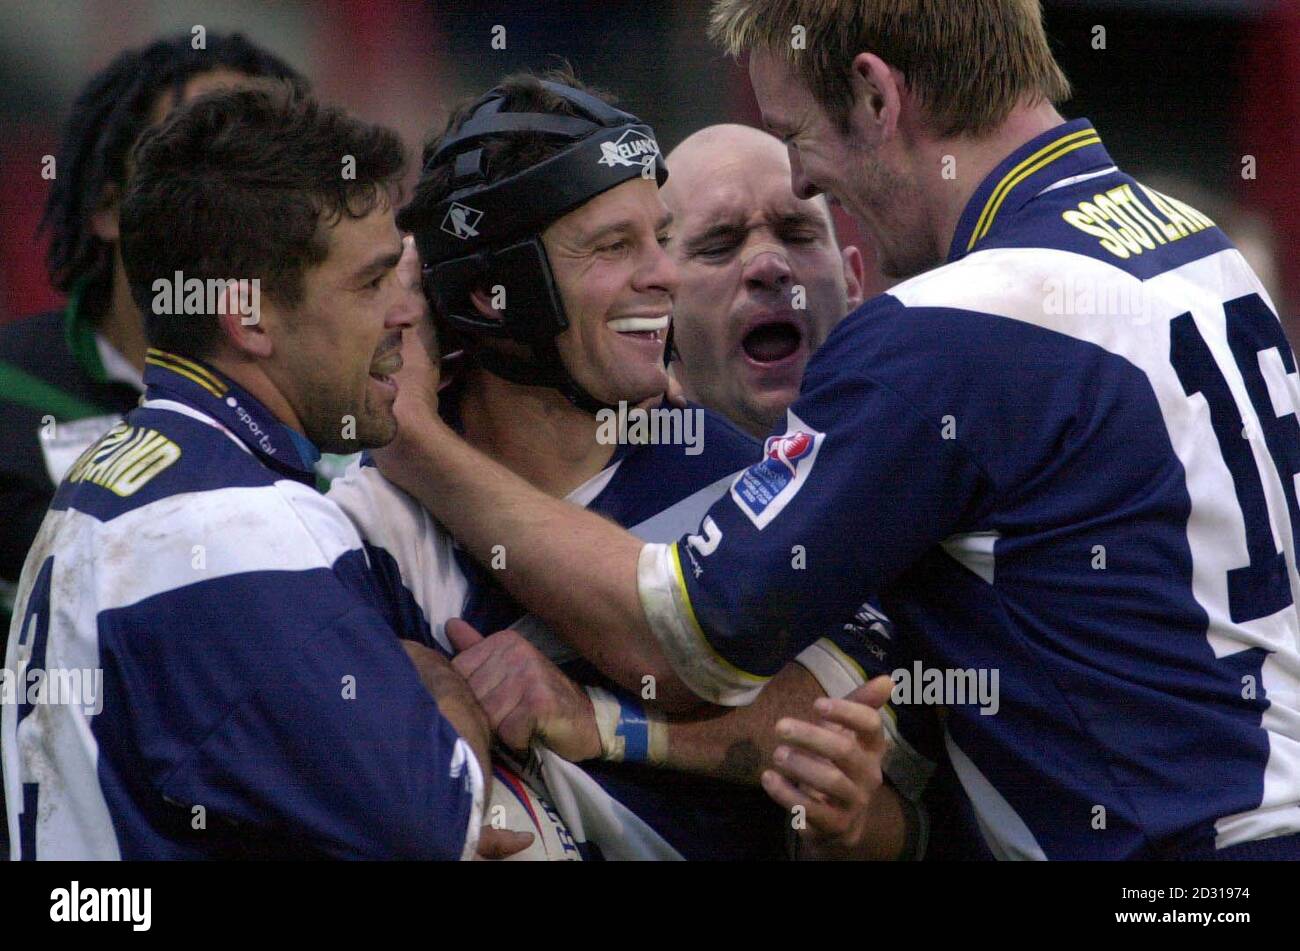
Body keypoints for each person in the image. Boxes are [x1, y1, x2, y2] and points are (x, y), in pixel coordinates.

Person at [373, 0, 1300, 859]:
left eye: (795, 137)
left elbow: (684, 637)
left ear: (874, 93)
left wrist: (415, 440)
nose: (807, 173)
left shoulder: (952, 325)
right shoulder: (1199, 241)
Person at [328, 69, 925, 860]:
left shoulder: (748, 483)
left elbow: (884, 771)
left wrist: (607, 722)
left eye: (660, 236)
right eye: (616, 246)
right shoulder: (354, 528)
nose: (667, 275)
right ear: (490, 294)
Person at [2, 86, 495, 860]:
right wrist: (442, 684)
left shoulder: (123, 473)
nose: (407, 310)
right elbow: (437, 819)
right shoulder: (229, 523)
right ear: (249, 317)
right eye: (370, 283)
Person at [0, 34, 308, 632]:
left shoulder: (351, 418)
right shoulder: (9, 392)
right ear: (110, 209)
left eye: (274, 167)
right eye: (205, 157)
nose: (246, 199)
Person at [661, 123, 864, 438]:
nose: (768, 266)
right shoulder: (599, 483)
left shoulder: (939, 467)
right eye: (718, 248)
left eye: (798, 235)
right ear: (658, 310)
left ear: (851, 282)